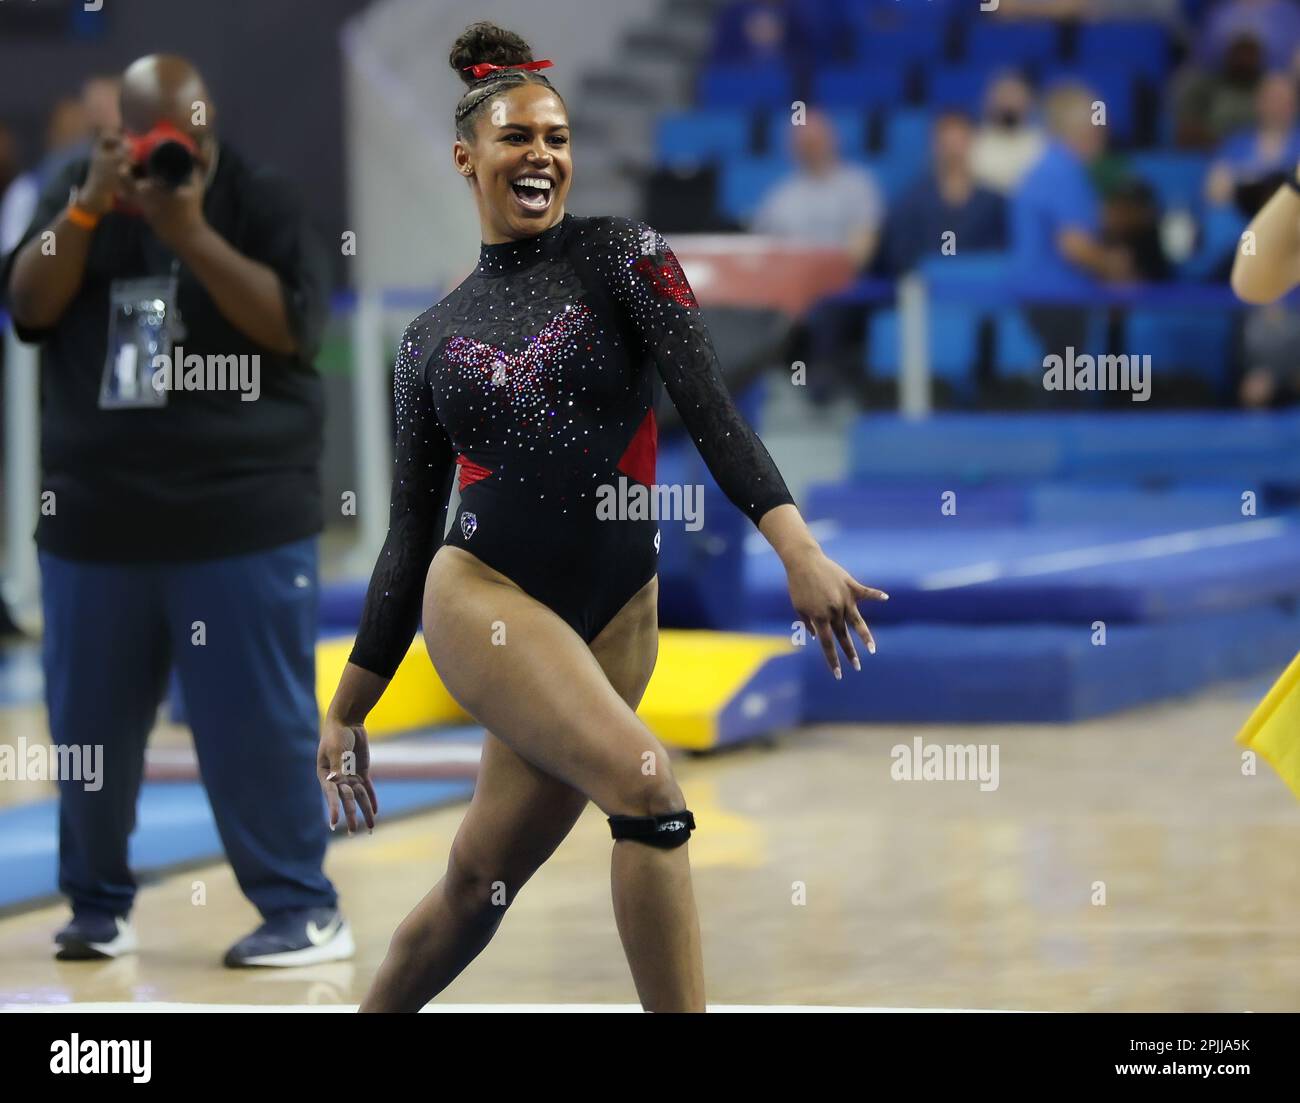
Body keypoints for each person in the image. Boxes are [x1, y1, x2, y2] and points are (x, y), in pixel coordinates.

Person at [321, 21, 886, 1013]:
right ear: (468, 157)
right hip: (484, 596)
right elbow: (410, 539)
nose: (541, 155)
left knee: (475, 880)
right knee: (646, 784)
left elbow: (711, 413)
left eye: (557, 138)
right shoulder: (428, 342)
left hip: (617, 610)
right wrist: (348, 708)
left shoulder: (626, 258)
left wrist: (795, 544)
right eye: (516, 138)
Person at [0, 55, 345, 967]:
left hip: (239, 521)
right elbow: (28, 305)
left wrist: (186, 228)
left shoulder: (260, 200)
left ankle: (302, 907)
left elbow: (292, 327)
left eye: (185, 140)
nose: (169, 156)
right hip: (95, 525)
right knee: (89, 736)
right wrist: (84, 209)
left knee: (256, 728)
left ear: (208, 124)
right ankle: (97, 907)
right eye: (152, 140)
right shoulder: (81, 196)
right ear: (123, 131)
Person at [1011, 82, 1133, 355]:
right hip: (1059, 301)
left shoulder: (1047, 168)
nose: (1103, 134)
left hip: (1044, 299)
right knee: (1064, 391)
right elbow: (1073, 245)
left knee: (1061, 388)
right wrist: (1114, 265)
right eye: (1097, 127)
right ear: (1080, 129)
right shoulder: (1064, 172)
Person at [750, 109, 883, 271]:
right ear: (792, 147)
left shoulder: (859, 185)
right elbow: (765, 246)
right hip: (792, 279)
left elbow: (864, 242)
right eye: (804, 142)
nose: (810, 147)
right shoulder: (780, 195)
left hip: (844, 282)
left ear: (833, 139)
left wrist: (831, 272)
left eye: (816, 140)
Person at [882, 110, 1005, 276]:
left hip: (980, 288)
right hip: (928, 289)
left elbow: (1000, 254)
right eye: (946, 143)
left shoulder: (993, 202)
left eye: (959, 142)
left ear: (971, 143)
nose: (953, 150)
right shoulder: (911, 202)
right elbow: (901, 256)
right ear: (935, 146)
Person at [1205, 72, 1300, 207]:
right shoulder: (1235, 143)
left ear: (1294, 106)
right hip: (1243, 216)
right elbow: (1215, 191)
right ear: (1259, 103)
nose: (1276, 106)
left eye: (1283, 99)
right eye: (1271, 99)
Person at [970, 73, 1047, 197]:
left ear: (1028, 102)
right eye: (1005, 97)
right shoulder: (976, 142)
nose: (1009, 104)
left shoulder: (1041, 143)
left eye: (1015, 97)